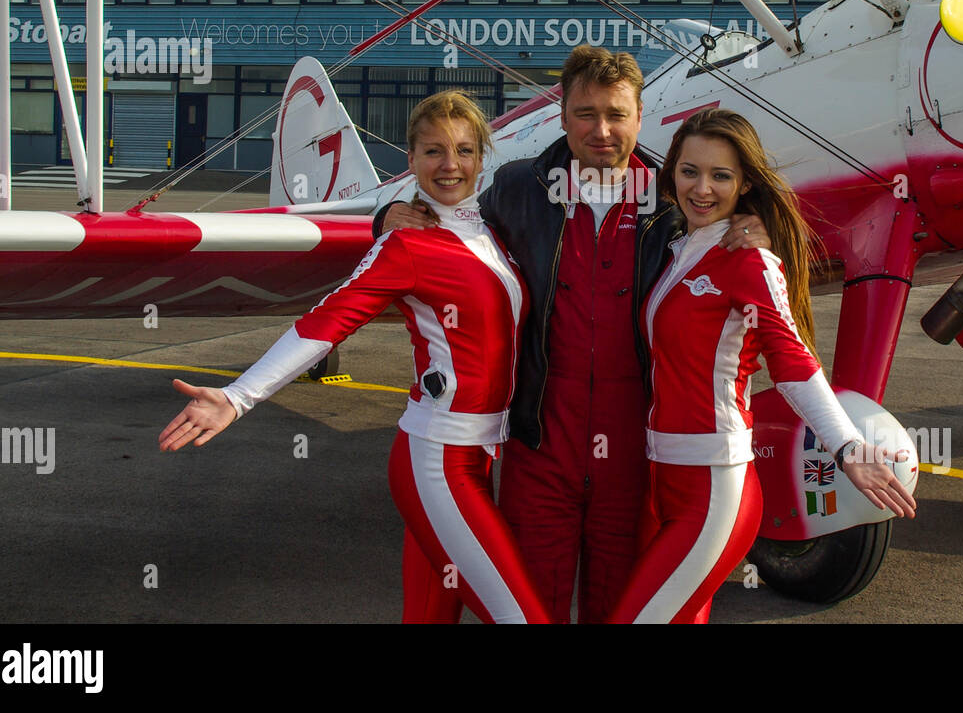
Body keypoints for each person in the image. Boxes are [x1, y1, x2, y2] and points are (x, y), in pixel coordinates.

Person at [383, 45, 768, 623]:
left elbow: (746, 247)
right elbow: (449, 218)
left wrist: (754, 225)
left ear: (642, 115)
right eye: (586, 114)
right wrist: (385, 217)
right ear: (562, 116)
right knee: (529, 603)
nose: (602, 130)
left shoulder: (677, 200)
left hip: (636, 452)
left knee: (620, 605)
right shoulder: (518, 189)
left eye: (617, 114)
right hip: (541, 443)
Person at [158, 90, 550, 625]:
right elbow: (326, 322)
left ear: (483, 157)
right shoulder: (406, 245)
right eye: (433, 151)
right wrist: (236, 397)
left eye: (464, 150)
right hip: (438, 461)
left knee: (431, 616)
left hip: (481, 454)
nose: (450, 165)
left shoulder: (488, 231)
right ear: (410, 160)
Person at [607, 108, 916, 624]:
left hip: (714, 486)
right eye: (689, 171)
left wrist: (848, 447)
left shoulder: (751, 260)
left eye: (721, 176)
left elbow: (792, 359)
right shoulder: (676, 249)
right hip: (662, 477)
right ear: (671, 175)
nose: (701, 189)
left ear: (744, 182)